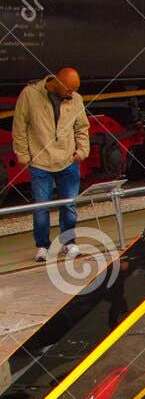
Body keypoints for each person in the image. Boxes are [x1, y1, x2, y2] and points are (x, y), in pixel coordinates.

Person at [12, 67, 90, 262]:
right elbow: (19, 126)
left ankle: (69, 242)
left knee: (69, 205)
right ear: (58, 82)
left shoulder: (76, 99)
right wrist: (23, 155)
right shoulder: (29, 95)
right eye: (69, 90)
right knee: (41, 207)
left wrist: (81, 151)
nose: (72, 94)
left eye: (74, 90)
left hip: (68, 160)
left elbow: (82, 127)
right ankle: (42, 246)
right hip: (40, 161)